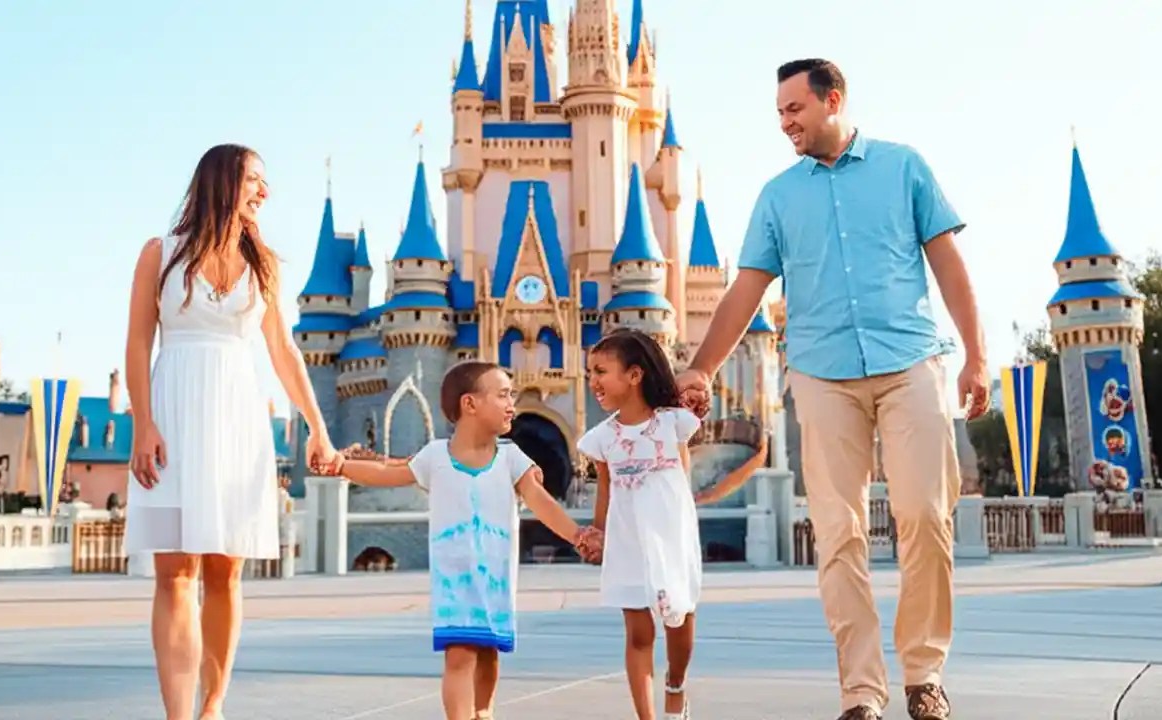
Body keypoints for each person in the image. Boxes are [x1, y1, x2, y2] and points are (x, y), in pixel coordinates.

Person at [676, 59, 989, 720]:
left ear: (832, 100)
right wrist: (701, 368)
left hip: (911, 363)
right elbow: (745, 291)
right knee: (837, 531)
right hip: (821, 374)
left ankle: (923, 674)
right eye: (780, 114)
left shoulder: (904, 167)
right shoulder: (777, 196)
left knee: (925, 517)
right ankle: (861, 692)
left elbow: (949, 266)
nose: (785, 123)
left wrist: (976, 358)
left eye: (794, 109)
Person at [123, 143, 340, 720]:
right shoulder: (159, 253)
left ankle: (213, 706)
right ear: (222, 181)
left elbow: (284, 352)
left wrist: (317, 427)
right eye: (254, 179)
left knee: (225, 570)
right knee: (175, 572)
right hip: (171, 413)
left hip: (238, 416)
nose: (264, 192)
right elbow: (139, 344)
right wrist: (143, 425)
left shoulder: (263, 266)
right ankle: (177, 713)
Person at [313, 361, 603, 720]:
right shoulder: (435, 457)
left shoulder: (511, 457)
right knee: (460, 653)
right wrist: (340, 465)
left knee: (488, 652)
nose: (512, 403)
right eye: (502, 395)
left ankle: (483, 711)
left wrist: (578, 534)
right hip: (454, 583)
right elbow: (389, 472)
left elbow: (541, 501)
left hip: (495, 581)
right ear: (470, 405)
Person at [579, 329, 704, 720]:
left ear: (634, 375)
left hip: (669, 535)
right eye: (589, 373)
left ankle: (676, 684)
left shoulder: (673, 424)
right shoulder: (601, 439)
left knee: (679, 622)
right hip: (627, 539)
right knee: (637, 633)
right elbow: (606, 490)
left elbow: (681, 474)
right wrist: (598, 534)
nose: (593, 381)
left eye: (601, 370)